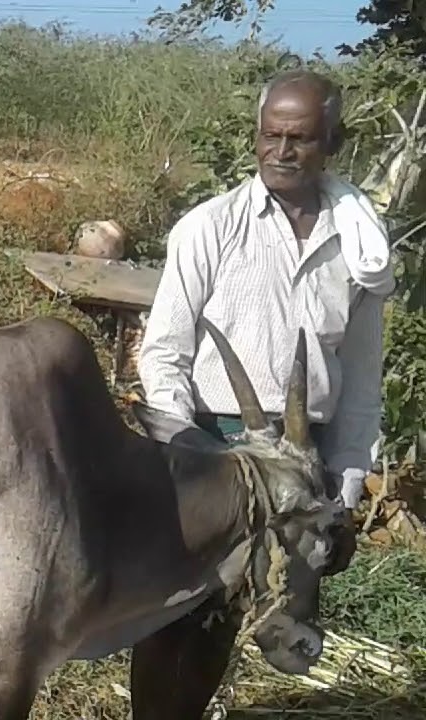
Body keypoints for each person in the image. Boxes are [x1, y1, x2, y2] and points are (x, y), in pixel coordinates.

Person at [138, 69, 396, 511]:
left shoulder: (361, 246)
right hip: (217, 447)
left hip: (309, 458)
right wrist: (184, 447)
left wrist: (350, 468)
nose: (281, 152)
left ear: (333, 143)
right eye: (271, 135)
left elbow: (360, 377)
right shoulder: (209, 227)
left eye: (300, 139)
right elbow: (164, 351)